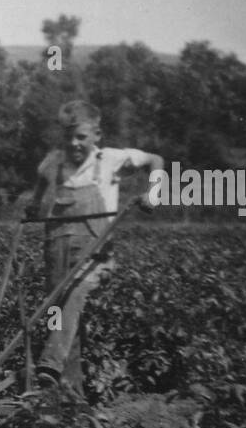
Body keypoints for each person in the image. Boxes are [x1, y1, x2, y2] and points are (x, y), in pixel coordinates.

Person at [24, 100, 164, 392]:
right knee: (62, 319)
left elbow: (156, 160)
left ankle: (48, 366)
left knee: (73, 299)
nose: (73, 143)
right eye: (68, 137)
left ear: (97, 135)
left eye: (81, 137)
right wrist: (34, 206)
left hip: (95, 255)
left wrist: (154, 192)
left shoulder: (110, 159)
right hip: (57, 252)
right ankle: (68, 395)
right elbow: (40, 182)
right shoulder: (54, 162)